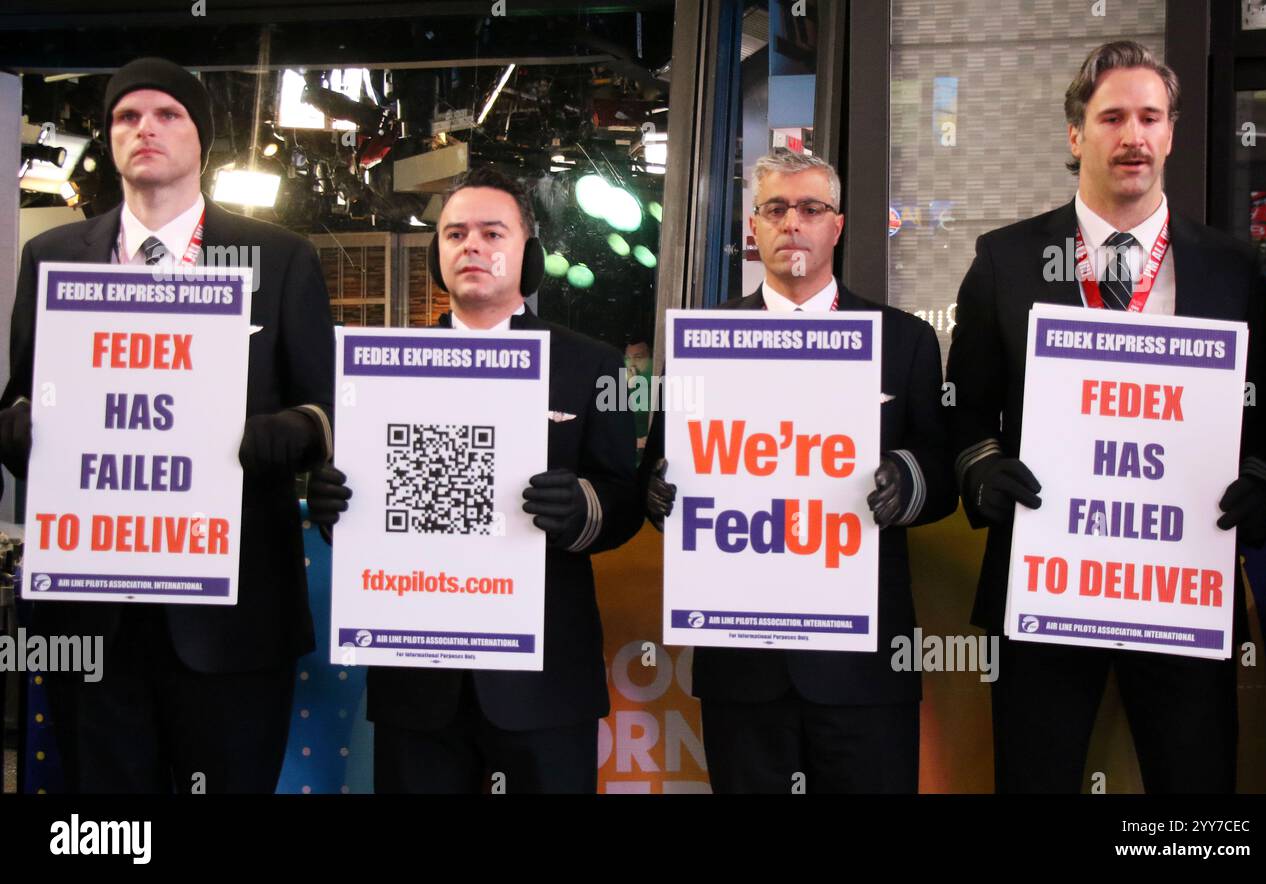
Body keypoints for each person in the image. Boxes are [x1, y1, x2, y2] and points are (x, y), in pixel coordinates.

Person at [945, 41, 1266, 793]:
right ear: (1077, 135)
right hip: (1046, 589)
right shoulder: (1005, 261)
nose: (1132, 135)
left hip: (1183, 585)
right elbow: (963, 411)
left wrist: (1259, 479)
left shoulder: (1231, 268)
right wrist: (983, 467)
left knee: (1193, 809)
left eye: (1149, 117)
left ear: (1169, 133)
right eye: (1112, 117)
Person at [0, 57, 334, 792]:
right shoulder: (52, 256)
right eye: (126, 116)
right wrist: (18, 428)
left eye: (167, 114)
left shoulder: (279, 261)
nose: (144, 128)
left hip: (233, 615)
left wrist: (295, 431)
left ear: (202, 140)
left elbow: (331, 408)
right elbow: (19, 398)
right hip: (90, 616)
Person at [307, 166, 642, 793]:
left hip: (544, 682)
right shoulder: (383, 370)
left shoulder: (593, 363)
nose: (473, 246)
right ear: (437, 255)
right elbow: (363, 509)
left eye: (493, 232)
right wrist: (335, 508)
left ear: (528, 253)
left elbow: (624, 499)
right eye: (455, 233)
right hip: (418, 682)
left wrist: (581, 508)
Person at [642, 148, 955, 793]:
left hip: (865, 665)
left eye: (811, 208)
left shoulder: (902, 341)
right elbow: (658, 480)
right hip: (743, 668)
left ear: (836, 226)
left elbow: (943, 477)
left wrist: (909, 480)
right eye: (776, 209)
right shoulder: (703, 342)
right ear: (752, 228)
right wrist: (657, 496)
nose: (793, 223)